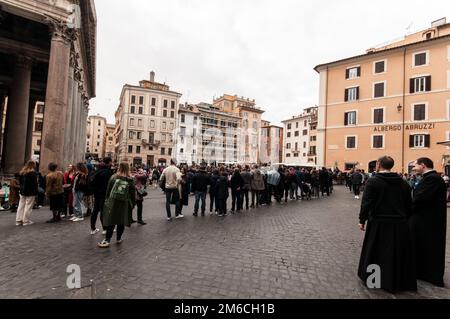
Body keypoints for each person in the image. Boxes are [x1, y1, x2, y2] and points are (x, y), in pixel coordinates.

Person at [358, 156, 416, 293]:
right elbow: (409, 205)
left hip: (379, 223)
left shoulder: (373, 182)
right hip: (400, 224)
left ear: (378, 165)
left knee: (377, 252)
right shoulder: (404, 183)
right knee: (397, 253)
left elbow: (366, 203)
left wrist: (362, 220)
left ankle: (376, 279)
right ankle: (398, 280)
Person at [410, 157, 447, 287]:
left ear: (423, 165)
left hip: (428, 221)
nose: (414, 168)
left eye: (416, 165)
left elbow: (420, 198)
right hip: (426, 219)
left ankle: (429, 274)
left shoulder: (432, 179)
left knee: (429, 246)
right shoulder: (431, 178)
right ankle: (422, 272)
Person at [98, 162, 136, 248]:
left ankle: (107, 239)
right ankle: (118, 238)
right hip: (124, 203)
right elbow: (133, 193)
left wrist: (107, 200)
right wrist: (133, 204)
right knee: (121, 221)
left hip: (113, 201)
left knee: (111, 220)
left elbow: (108, 190)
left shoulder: (114, 177)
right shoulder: (130, 179)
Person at [90, 157, 114, 235]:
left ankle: (93, 229)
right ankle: (105, 228)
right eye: (111, 162)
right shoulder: (108, 172)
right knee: (103, 211)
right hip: (104, 194)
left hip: (96, 194)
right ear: (109, 162)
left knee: (95, 211)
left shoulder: (97, 170)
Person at [15, 161, 39, 226]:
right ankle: (26, 221)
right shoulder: (33, 173)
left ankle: (18, 220)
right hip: (30, 192)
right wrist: (36, 192)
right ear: (33, 165)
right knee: (28, 206)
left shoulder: (22, 172)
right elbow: (34, 184)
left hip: (22, 191)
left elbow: (19, 181)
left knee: (21, 205)